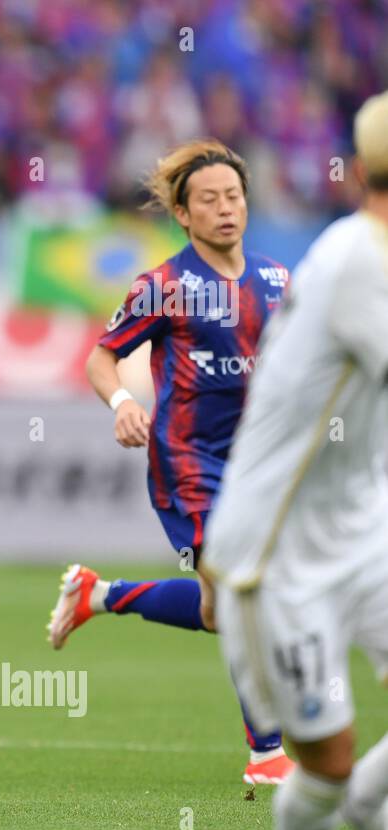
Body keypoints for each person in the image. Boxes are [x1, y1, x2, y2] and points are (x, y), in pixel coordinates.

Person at [47, 140, 295, 786]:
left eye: (233, 197)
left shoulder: (277, 282)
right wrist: (124, 402)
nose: (224, 209)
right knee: (244, 594)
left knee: (220, 610)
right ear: (183, 215)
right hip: (189, 463)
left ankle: (102, 594)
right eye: (208, 200)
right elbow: (102, 357)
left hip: (259, 467)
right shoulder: (164, 286)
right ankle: (267, 752)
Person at [203, 91, 388, 830]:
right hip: (274, 554)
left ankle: (373, 821)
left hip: (361, 526)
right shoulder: (361, 263)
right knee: (328, 761)